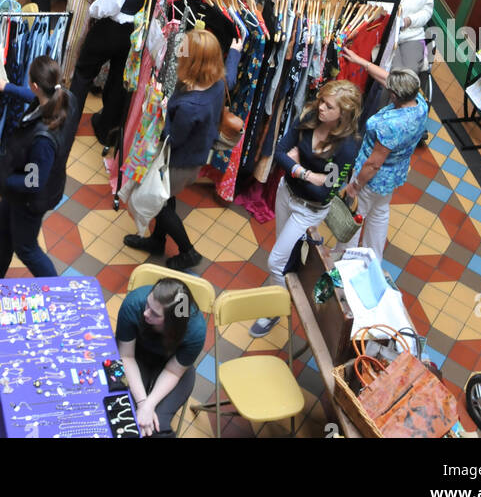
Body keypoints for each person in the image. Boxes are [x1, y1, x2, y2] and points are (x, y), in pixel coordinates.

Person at [250, 80, 362, 335]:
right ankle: (283, 283)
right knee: (283, 252)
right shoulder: (310, 116)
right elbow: (278, 152)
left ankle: (274, 310)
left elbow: (324, 193)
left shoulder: (346, 148)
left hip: (309, 210)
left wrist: (295, 167)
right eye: (322, 101)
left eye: (329, 105)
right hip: (285, 193)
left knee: (274, 261)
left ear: (343, 114)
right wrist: (306, 173)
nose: (321, 107)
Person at [69, 0, 184, 143]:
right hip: (135, 34)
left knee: (83, 74)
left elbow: (108, 5)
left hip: (111, 28)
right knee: (117, 81)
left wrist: (92, 11)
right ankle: (106, 131)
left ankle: (68, 126)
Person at [0, 56, 73, 284]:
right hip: (33, 190)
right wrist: (8, 88)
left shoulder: (43, 140)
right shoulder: (65, 98)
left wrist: (3, 180)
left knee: (26, 248)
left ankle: (58, 288)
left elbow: (33, 182)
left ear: (35, 85)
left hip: (30, 199)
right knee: (3, 222)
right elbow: (35, 96)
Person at [124, 28, 226, 272]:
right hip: (194, 159)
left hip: (179, 162)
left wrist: (165, 110)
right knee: (166, 197)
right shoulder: (216, 83)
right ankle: (158, 241)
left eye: (185, 49)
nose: (181, 50)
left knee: (160, 202)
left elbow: (173, 138)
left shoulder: (191, 106)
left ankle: (188, 251)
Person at [332, 69, 429, 263]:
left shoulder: (390, 125)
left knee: (354, 217)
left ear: (395, 94)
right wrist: (363, 64)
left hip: (370, 179)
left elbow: (374, 163)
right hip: (393, 175)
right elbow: (389, 79)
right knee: (379, 213)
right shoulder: (420, 104)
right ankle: (372, 260)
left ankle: (342, 261)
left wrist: (354, 186)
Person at [116, 277, 206, 437]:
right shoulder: (134, 302)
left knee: (158, 428)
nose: (145, 312)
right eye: (148, 304)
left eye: (155, 313)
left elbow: (173, 372)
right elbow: (126, 356)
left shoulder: (195, 330)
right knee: (123, 414)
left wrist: (149, 405)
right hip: (136, 356)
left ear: (172, 322)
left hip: (173, 368)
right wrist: (143, 403)